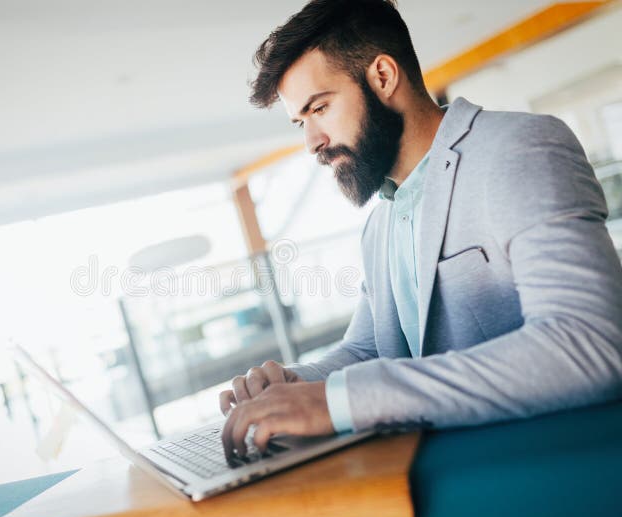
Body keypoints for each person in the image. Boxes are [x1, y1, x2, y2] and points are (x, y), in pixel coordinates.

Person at [219, 0, 622, 459]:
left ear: (383, 76)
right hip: (437, 469)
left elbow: (589, 343)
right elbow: (370, 349)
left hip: (554, 464)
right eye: (301, 122)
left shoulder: (518, 148)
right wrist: (294, 385)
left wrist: (340, 402)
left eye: (320, 108)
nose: (312, 142)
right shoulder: (380, 222)